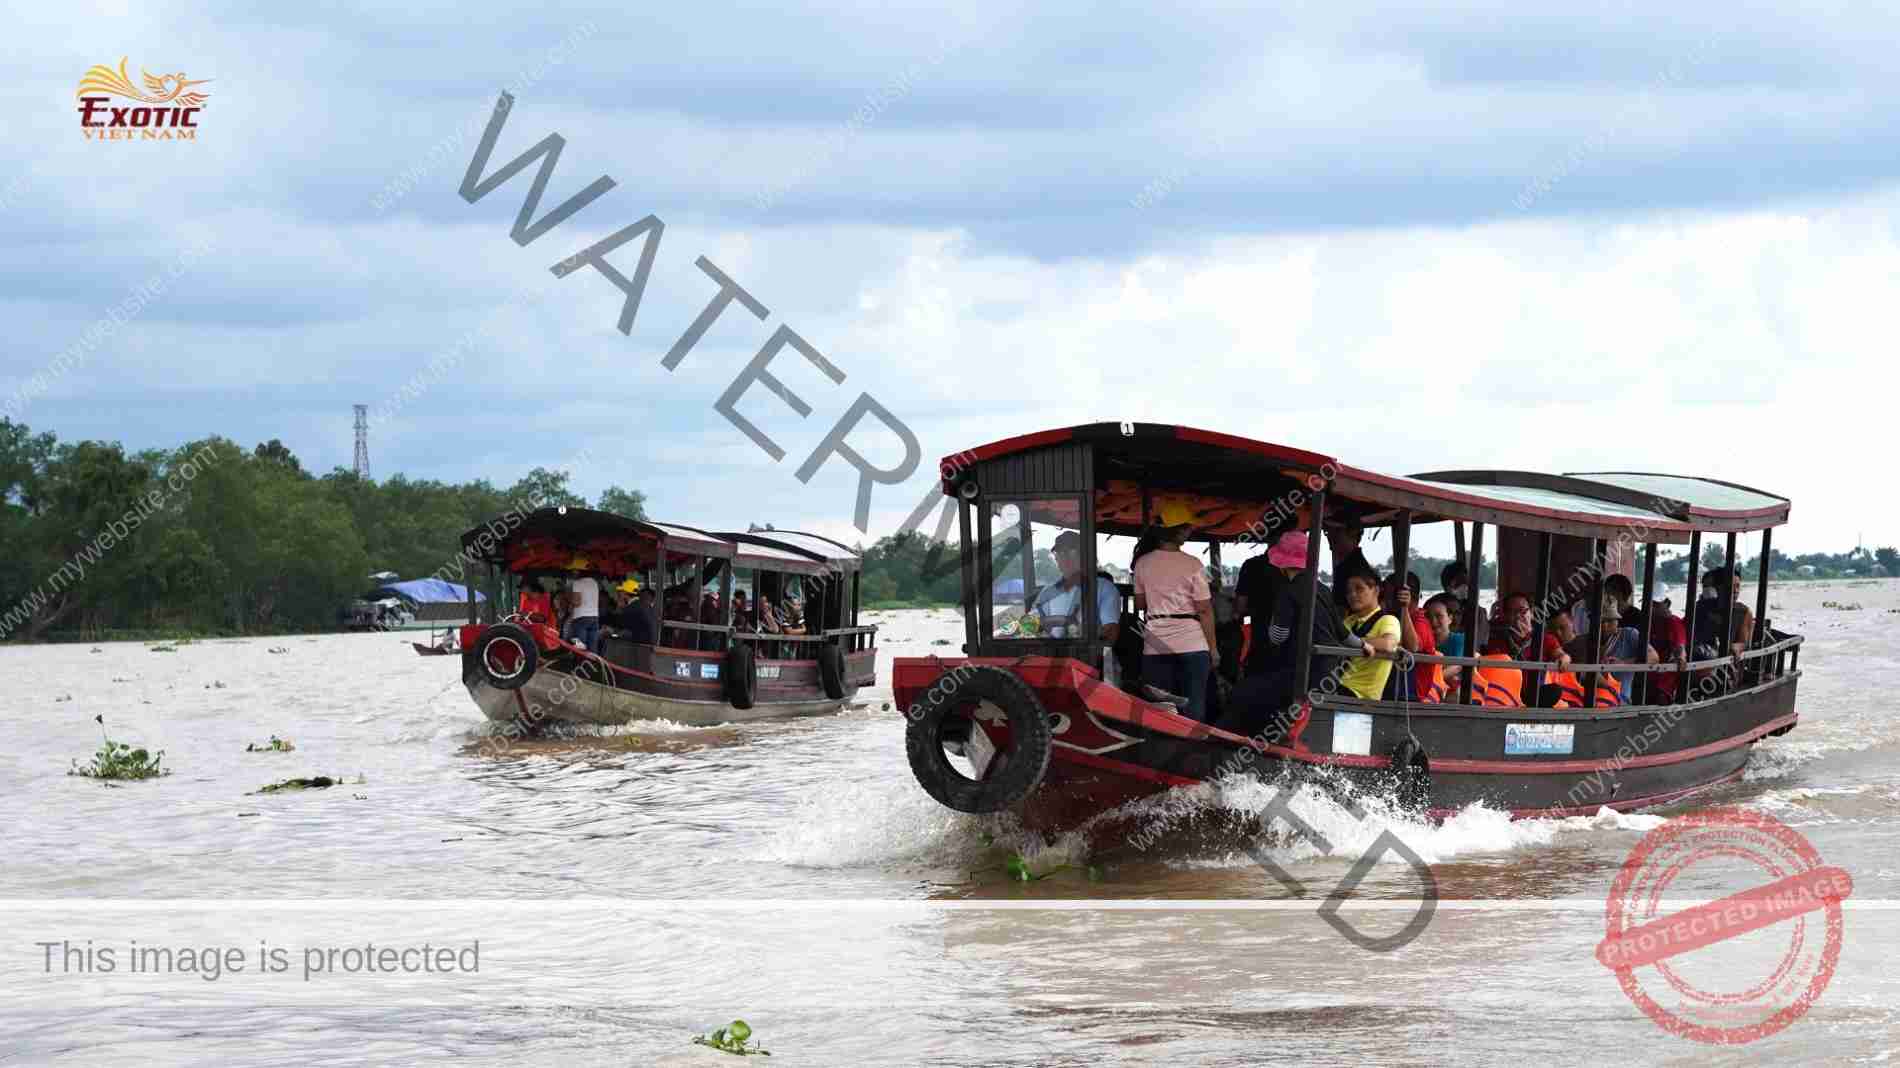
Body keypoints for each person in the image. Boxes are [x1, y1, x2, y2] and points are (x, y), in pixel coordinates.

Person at [1218, 531, 1350, 734]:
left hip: (1305, 674)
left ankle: (1228, 738)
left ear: (1281, 565)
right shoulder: (1323, 589)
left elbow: (1278, 637)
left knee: (1245, 691)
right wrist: (1364, 646)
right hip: (1330, 672)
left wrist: (1272, 625)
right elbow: (1344, 633)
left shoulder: (1288, 591)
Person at [1133, 505, 1218, 721]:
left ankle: (1162, 742)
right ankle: (1194, 741)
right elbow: (1204, 610)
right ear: (1178, 531)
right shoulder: (1193, 564)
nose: (1190, 531)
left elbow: (1141, 605)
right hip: (1193, 644)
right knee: (1194, 706)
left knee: (1160, 710)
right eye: (1188, 527)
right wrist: (1213, 649)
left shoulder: (1142, 563)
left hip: (1156, 643)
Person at [1033, 530, 1121, 642]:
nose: (1065, 557)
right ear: (1056, 559)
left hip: (1088, 651)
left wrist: (1073, 627)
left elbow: (1111, 633)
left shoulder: (1104, 588)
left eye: (1072, 551)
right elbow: (1028, 624)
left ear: (1083, 555)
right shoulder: (1048, 591)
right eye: (1060, 553)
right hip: (1051, 651)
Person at [1338, 568, 1402, 700]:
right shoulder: (1349, 621)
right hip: (1337, 685)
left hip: (1360, 695)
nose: (1352, 595)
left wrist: (1354, 643)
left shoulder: (1388, 620)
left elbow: (1388, 644)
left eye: (1359, 589)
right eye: (1348, 591)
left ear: (1376, 591)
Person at [1382, 571, 1437, 700]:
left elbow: (1412, 647)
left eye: (1389, 597)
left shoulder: (1420, 621)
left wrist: (1404, 608)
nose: (1386, 602)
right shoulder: (1391, 619)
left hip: (1410, 695)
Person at [1326, 523, 1375, 610]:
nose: (1330, 536)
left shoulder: (1356, 570)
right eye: (1327, 532)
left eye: (1337, 531)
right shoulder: (1346, 567)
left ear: (1353, 534)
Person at [564, 573, 603, 653]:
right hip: (594, 617)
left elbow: (577, 602)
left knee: (580, 647)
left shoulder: (577, 583)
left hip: (581, 618)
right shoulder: (594, 583)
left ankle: (581, 660)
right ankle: (592, 661)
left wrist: (568, 598)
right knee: (592, 647)